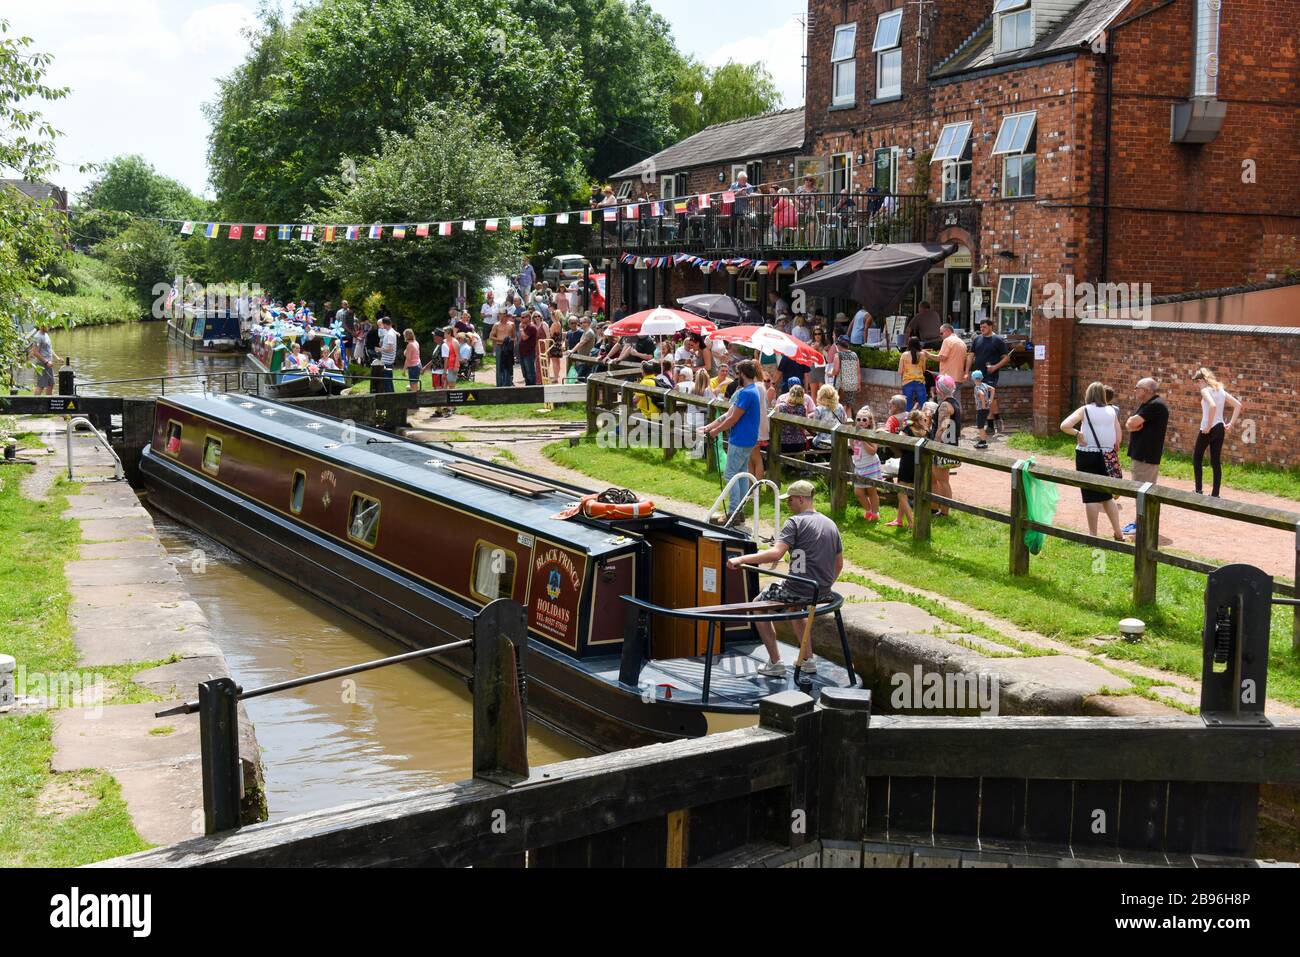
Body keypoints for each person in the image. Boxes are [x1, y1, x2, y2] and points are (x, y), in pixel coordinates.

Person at [726, 480, 844, 677]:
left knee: (757, 606)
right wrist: (824, 586)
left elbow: (776, 554)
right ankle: (808, 661)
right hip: (821, 590)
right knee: (795, 608)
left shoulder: (794, 522)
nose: (788, 505)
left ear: (800, 499)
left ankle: (775, 663)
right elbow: (838, 564)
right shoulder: (830, 524)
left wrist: (741, 559)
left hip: (799, 587)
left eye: (789, 501)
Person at [1060, 381, 1126, 540]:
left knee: (1090, 496)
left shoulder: (1085, 410)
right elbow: (1118, 439)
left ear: (1088, 394)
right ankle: (1118, 533)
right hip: (1107, 455)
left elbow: (1064, 425)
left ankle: (1093, 535)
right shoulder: (1112, 411)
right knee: (1106, 496)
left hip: (1086, 455)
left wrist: (1078, 434)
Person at [700, 359, 762, 524]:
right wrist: (709, 427)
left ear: (742, 374)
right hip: (748, 439)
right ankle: (738, 512)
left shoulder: (746, 393)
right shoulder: (751, 390)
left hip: (740, 439)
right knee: (740, 475)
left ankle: (733, 512)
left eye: (737, 374)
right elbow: (727, 415)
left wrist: (715, 432)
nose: (736, 377)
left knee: (730, 475)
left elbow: (733, 418)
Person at [1191, 367, 1242, 497]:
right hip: (1220, 428)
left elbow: (1212, 405)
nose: (1197, 385)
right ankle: (1215, 494)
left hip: (1208, 428)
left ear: (1202, 380)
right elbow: (1238, 405)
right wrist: (1231, 423)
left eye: (1197, 382)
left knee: (1197, 458)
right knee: (1215, 461)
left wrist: (1208, 425)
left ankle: (1198, 490)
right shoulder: (1221, 391)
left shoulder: (1204, 390)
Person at [966, 318, 1010, 432]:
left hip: (991, 373)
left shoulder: (998, 340)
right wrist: (967, 371)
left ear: (991, 326)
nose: (982, 329)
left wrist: (995, 367)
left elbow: (1006, 358)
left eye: (984, 327)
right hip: (978, 374)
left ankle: (990, 425)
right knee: (984, 399)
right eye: (980, 327)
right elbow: (971, 356)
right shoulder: (977, 340)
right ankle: (996, 418)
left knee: (989, 396)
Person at [1125, 377, 1169, 487]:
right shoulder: (1147, 404)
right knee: (1141, 493)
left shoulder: (1155, 405)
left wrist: (1131, 425)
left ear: (1147, 390)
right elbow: (1129, 425)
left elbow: (1131, 422)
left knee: (1142, 493)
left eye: (1137, 388)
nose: (1134, 390)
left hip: (1146, 458)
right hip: (1142, 456)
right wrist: (1131, 425)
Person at [928, 374, 961, 518]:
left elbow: (943, 426)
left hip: (942, 446)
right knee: (934, 478)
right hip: (950, 444)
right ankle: (934, 506)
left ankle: (945, 512)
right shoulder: (955, 403)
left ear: (939, 389)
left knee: (942, 480)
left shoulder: (945, 405)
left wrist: (934, 445)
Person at [890, 409, 926, 529]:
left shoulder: (907, 430)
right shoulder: (927, 432)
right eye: (922, 419)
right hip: (920, 463)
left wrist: (906, 425)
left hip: (907, 462)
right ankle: (899, 519)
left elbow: (899, 442)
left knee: (901, 493)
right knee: (906, 491)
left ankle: (911, 521)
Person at [851, 405, 882, 522]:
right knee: (858, 491)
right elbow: (853, 447)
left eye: (864, 420)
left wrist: (864, 440)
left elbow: (873, 451)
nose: (861, 422)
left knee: (871, 490)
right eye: (858, 419)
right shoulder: (856, 431)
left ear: (869, 422)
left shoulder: (871, 434)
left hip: (870, 465)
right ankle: (868, 510)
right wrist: (852, 438)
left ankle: (875, 513)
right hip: (859, 465)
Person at [773, 385, 811, 457]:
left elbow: (774, 424)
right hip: (799, 444)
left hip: (783, 443)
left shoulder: (779, 407)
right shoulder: (803, 408)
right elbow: (805, 426)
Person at [809, 384, 847, 453]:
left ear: (821, 395)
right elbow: (844, 421)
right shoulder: (840, 407)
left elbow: (814, 429)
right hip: (836, 442)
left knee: (810, 443)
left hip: (821, 443)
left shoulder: (819, 409)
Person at [829, 336, 861, 417]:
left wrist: (830, 374)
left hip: (841, 385)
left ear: (839, 345)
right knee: (848, 406)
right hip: (852, 384)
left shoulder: (838, 355)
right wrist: (859, 384)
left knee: (841, 406)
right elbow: (858, 371)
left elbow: (836, 370)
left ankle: (841, 425)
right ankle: (849, 426)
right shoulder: (854, 355)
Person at [28, 324, 60, 395]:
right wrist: (46, 362)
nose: (50, 326)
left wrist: (57, 357)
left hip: (48, 364)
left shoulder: (46, 334)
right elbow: (35, 352)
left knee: (50, 384)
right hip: (42, 364)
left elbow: (49, 348)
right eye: (47, 325)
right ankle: (36, 403)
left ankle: (48, 402)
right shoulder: (37, 337)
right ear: (42, 326)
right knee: (41, 385)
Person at [898, 336, 927, 411]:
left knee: (908, 405)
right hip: (920, 382)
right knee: (923, 405)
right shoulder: (922, 354)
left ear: (909, 344)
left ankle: (908, 422)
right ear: (918, 344)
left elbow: (900, 371)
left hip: (907, 382)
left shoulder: (904, 355)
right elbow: (924, 370)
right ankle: (924, 421)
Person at [971, 370, 996, 449]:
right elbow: (993, 389)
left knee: (980, 426)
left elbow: (981, 394)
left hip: (982, 409)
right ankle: (983, 440)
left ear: (973, 379)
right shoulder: (984, 385)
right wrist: (990, 399)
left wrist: (983, 405)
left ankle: (983, 442)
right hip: (986, 408)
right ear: (981, 378)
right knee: (981, 425)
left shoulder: (977, 387)